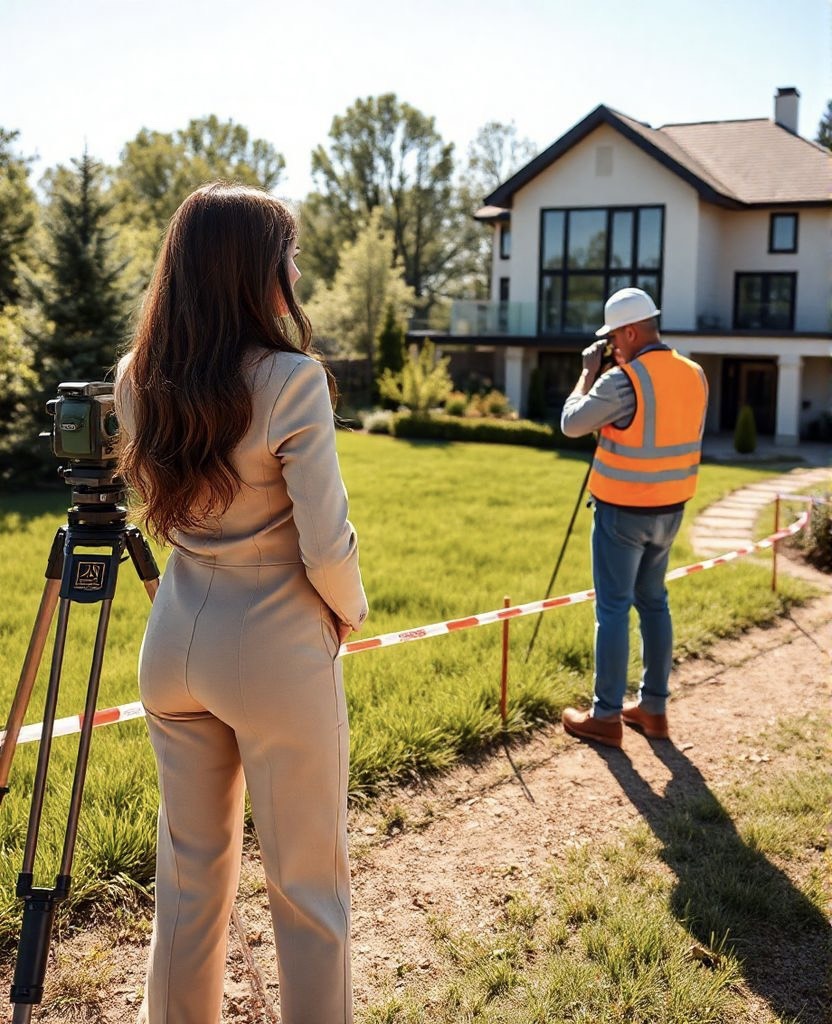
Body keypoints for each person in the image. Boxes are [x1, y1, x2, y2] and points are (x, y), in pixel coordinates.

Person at [115, 182, 368, 1024]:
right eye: (288, 256)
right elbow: (326, 543)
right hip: (274, 651)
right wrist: (349, 612)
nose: (296, 271)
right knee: (308, 888)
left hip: (173, 644)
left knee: (188, 883)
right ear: (253, 270)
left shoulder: (135, 377)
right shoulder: (293, 381)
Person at [559, 288, 708, 748]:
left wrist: (587, 373)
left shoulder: (622, 381)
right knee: (654, 603)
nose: (613, 349)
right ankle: (654, 709)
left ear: (629, 330)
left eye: (614, 340)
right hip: (671, 512)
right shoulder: (694, 373)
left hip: (622, 513)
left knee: (613, 610)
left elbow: (572, 422)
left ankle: (605, 717)